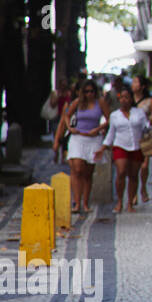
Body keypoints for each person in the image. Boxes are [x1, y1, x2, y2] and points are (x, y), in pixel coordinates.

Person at [95, 86, 149, 214]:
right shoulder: (114, 115)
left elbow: (146, 128)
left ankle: (130, 202)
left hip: (136, 146)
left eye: (127, 97)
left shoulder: (139, 113)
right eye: (122, 97)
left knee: (133, 175)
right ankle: (119, 201)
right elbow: (111, 134)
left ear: (131, 99)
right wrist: (103, 147)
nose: (124, 100)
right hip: (120, 146)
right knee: (121, 171)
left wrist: (150, 124)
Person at [58, 80, 108, 215]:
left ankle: (85, 202)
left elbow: (109, 119)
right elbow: (66, 115)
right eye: (86, 91)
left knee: (88, 172)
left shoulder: (100, 103)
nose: (89, 94)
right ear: (82, 92)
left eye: (92, 91)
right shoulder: (77, 103)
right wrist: (70, 128)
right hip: (78, 137)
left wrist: (98, 128)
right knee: (77, 168)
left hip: (93, 138)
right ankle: (77, 202)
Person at [131, 75, 152, 202]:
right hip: (131, 134)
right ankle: (133, 192)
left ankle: (143, 188)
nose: (133, 84)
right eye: (132, 82)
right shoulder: (127, 99)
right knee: (133, 166)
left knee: (144, 165)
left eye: (136, 82)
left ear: (142, 86)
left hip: (145, 134)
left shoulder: (149, 101)